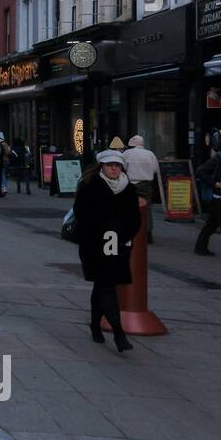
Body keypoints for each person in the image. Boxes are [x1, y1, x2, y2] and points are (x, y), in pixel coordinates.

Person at [74, 150, 140, 353]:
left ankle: (95, 325)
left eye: (117, 165)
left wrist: (122, 233)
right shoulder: (90, 185)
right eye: (110, 165)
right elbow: (81, 213)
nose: (114, 168)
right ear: (101, 166)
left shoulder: (127, 188)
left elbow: (135, 218)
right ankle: (119, 333)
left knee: (102, 286)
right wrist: (101, 227)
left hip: (118, 245)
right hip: (94, 245)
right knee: (107, 286)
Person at [123, 135, 159, 242]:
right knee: (146, 208)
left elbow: (123, 168)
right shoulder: (150, 154)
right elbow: (155, 169)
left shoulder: (127, 154)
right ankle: (148, 233)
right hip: (146, 184)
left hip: (130, 183)